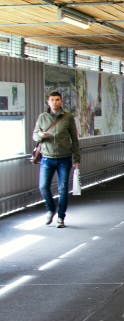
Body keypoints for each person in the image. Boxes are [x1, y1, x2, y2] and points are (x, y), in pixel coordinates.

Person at [33, 91, 80, 228]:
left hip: (64, 159)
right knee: (43, 186)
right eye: (52, 100)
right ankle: (51, 209)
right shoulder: (42, 117)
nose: (55, 102)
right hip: (47, 159)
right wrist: (40, 135)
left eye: (57, 99)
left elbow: (74, 139)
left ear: (61, 102)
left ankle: (60, 217)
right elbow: (35, 135)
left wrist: (76, 158)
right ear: (48, 102)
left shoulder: (68, 117)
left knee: (63, 189)